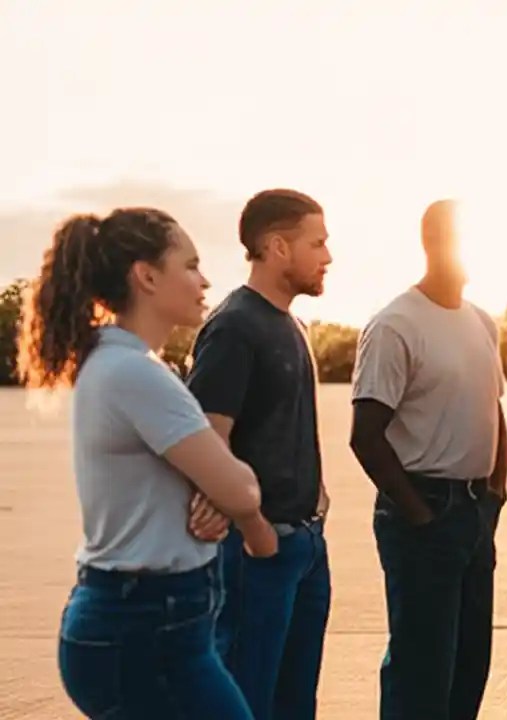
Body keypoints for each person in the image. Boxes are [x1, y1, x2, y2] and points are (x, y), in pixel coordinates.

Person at [19, 208, 278, 719]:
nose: (204, 280)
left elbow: (210, 483)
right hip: (144, 626)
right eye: (190, 264)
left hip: (144, 620)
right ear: (147, 276)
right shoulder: (136, 374)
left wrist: (216, 493)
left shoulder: (122, 365)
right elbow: (240, 489)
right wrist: (235, 503)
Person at [350, 198, 507, 720]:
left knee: (469, 665)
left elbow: (494, 410)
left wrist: (495, 495)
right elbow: (366, 436)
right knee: (422, 672)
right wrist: (420, 515)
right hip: (423, 511)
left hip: (473, 511)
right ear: (432, 243)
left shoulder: (481, 322)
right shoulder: (396, 324)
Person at [184, 188, 333, 720]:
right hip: (258, 553)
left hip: (306, 545)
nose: (328, 257)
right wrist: (252, 532)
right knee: (248, 699)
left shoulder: (290, 324)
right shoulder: (234, 327)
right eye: (317, 243)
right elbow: (207, 438)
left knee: (295, 702)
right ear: (277, 247)